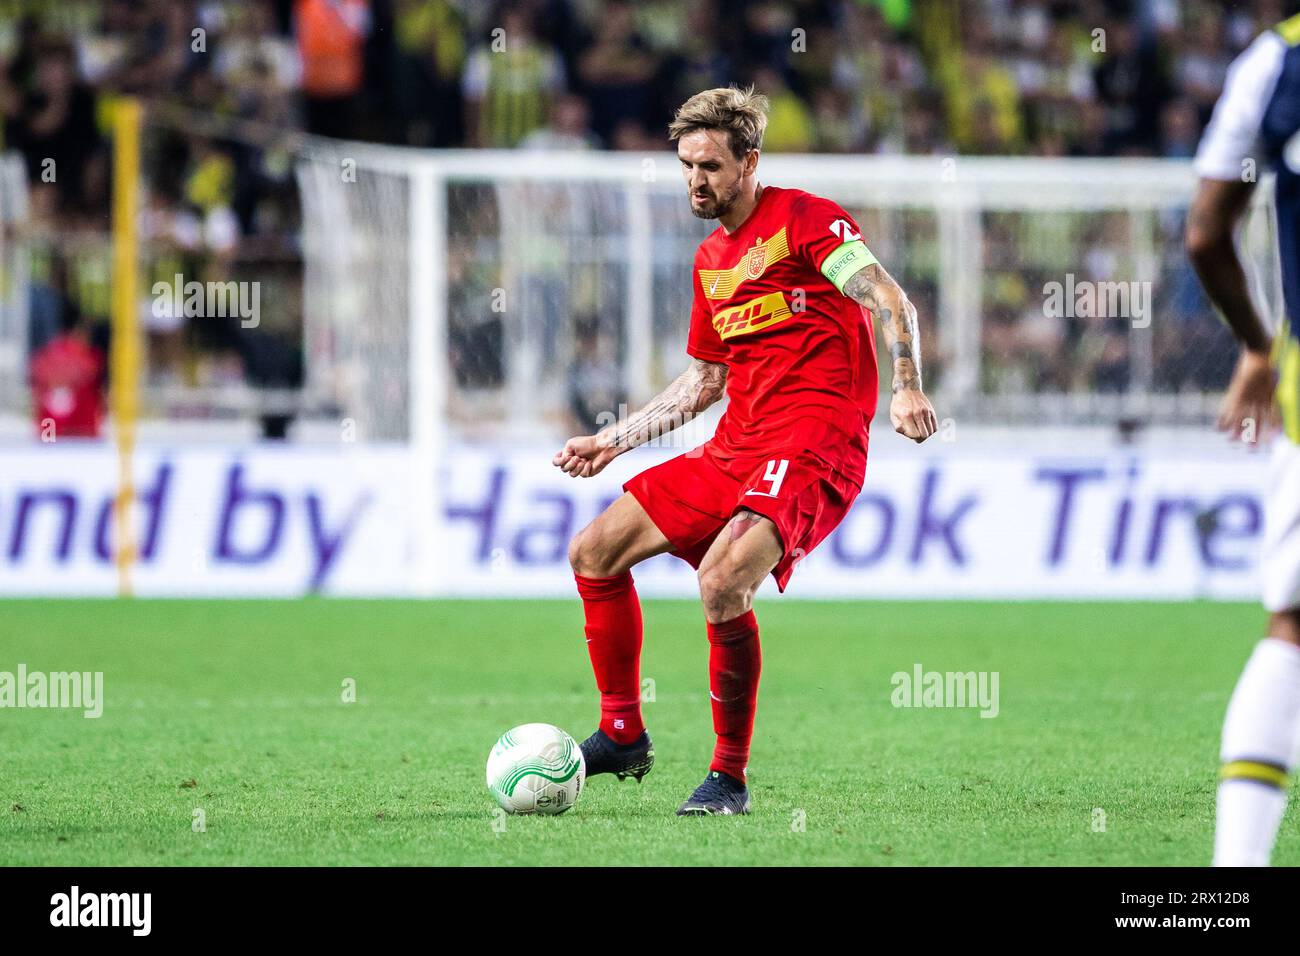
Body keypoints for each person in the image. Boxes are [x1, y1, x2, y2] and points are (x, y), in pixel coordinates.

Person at [554, 86, 937, 815]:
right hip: (736, 446)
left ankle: (727, 778)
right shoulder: (710, 261)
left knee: (724, 578)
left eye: (710, 165)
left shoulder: (807, 220)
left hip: (816, 441)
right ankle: (622, 732)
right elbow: (703, 381)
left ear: (749, 162)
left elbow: (890, 298)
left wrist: (906, 387)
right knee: (593, 551)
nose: (696, 180)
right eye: (686, 166)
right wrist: (613, 441)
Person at [1185, 9, 1300, 866]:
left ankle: (1235, 881)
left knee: (1292, 626)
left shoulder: (1278, 60)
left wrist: (1262, 344)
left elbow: (1206, 232)